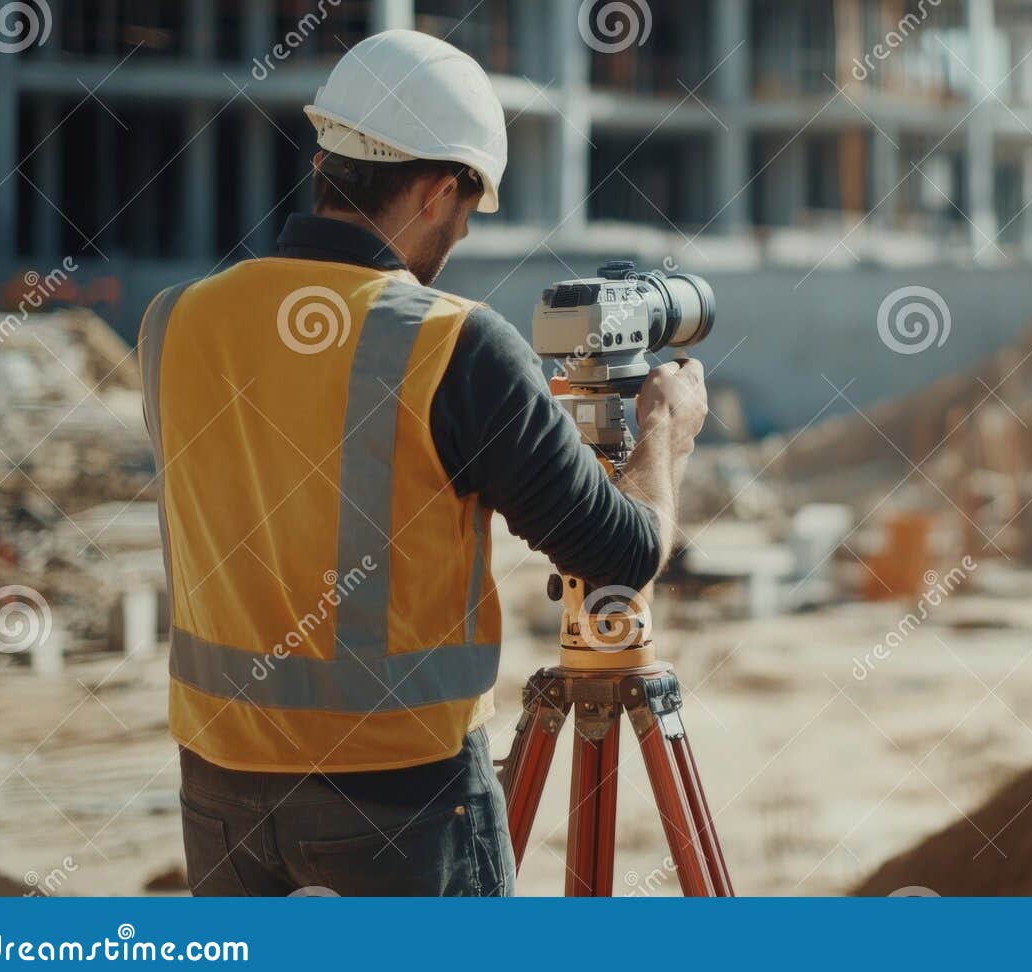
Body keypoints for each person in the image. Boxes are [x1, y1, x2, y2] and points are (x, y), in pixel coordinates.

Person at [138, 30, 707, 897]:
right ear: (441, 188)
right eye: (468, 209)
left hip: (219, 789)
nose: (462, 230)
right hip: (397, 804)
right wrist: (663, 432)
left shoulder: (171, 322)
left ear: (330, 157)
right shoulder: (454, 343)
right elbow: (621, 554)